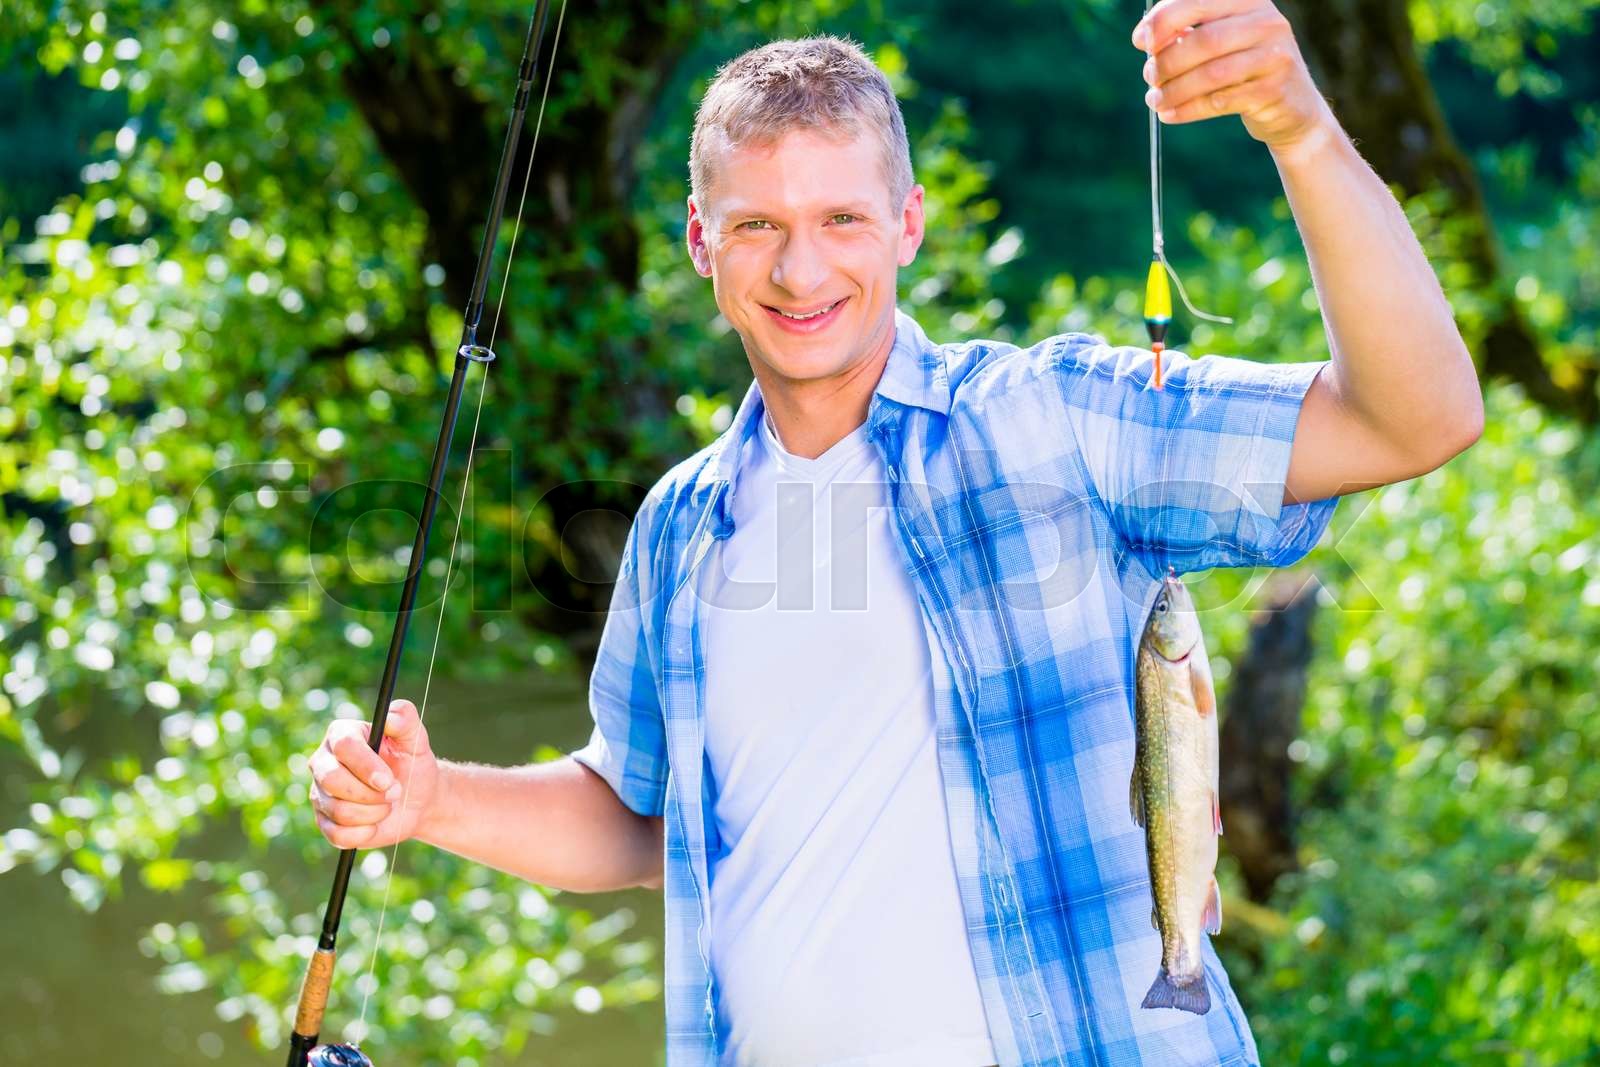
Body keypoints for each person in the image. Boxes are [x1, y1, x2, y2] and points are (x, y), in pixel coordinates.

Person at [305, 2, 1483, 1064]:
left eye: (842, 217)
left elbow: (1415, 414)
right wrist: (429, 800)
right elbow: (642, 812)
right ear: (700, 238)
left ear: (909, 223)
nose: (801, 266)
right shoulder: (678, 526)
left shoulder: (1054, 418)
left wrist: (1301, 131)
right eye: (756, 222)